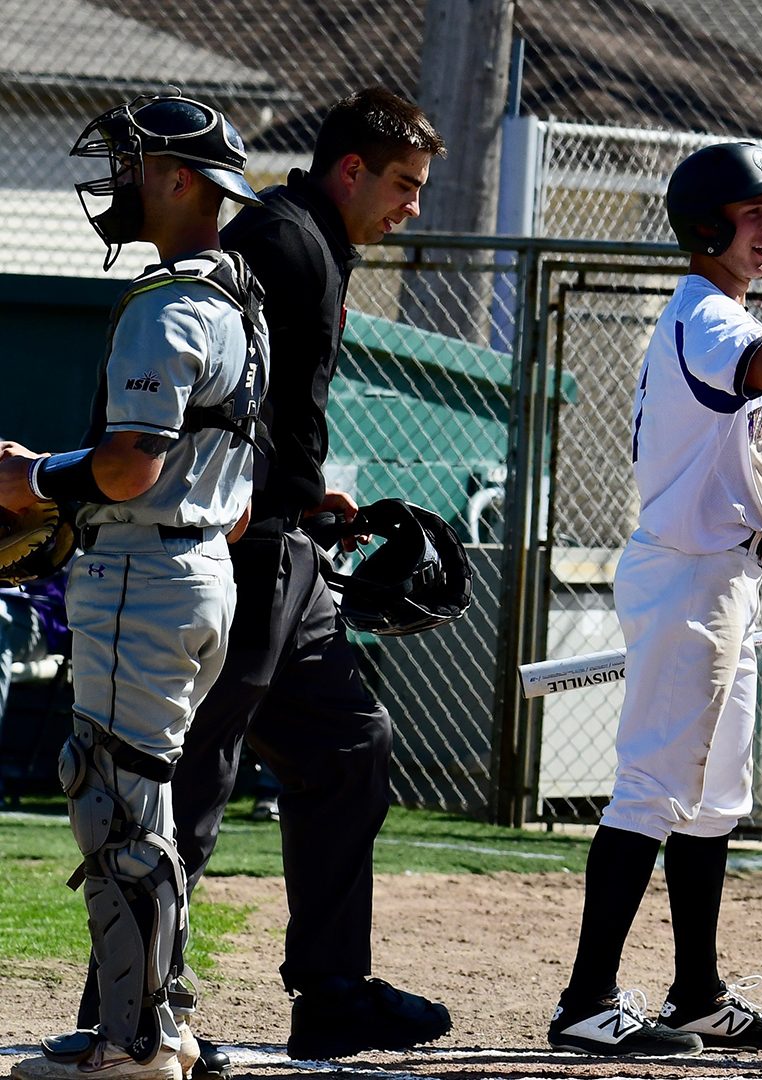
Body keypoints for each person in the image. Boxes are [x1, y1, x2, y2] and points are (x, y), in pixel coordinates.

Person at [151, 87, 452, 1063]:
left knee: (349, 746)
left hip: (289, 546)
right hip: (248, 552)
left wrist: (309, 490)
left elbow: (278, 405)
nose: (412, 205)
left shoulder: (311, 241)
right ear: (350, 170)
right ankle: (135, 1007)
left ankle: (331, 992)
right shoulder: (283, 241)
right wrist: (252, 497)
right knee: (196, 776)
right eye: (403, 183)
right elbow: (220, 386)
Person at [1, 94, 268, 1080]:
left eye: (135, 163)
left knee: (113, 807)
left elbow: (127, 467)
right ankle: (162, 1021)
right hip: (199, 574)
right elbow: (229, 498)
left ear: (179, 181)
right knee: (138, 805)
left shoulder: (169, 307)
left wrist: (33, 479)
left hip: (145, 580)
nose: (119, 180)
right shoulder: (240, 302)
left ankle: (135, 1043)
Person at [544, 141, 762, 1058]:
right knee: (653, 788)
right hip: (690, 575)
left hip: (727, 573)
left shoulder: (726, 315)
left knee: (713, 798)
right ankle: (586, 1001)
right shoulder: (705, 315)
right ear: (707, 225)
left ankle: (697, 994)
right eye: (755, 213)